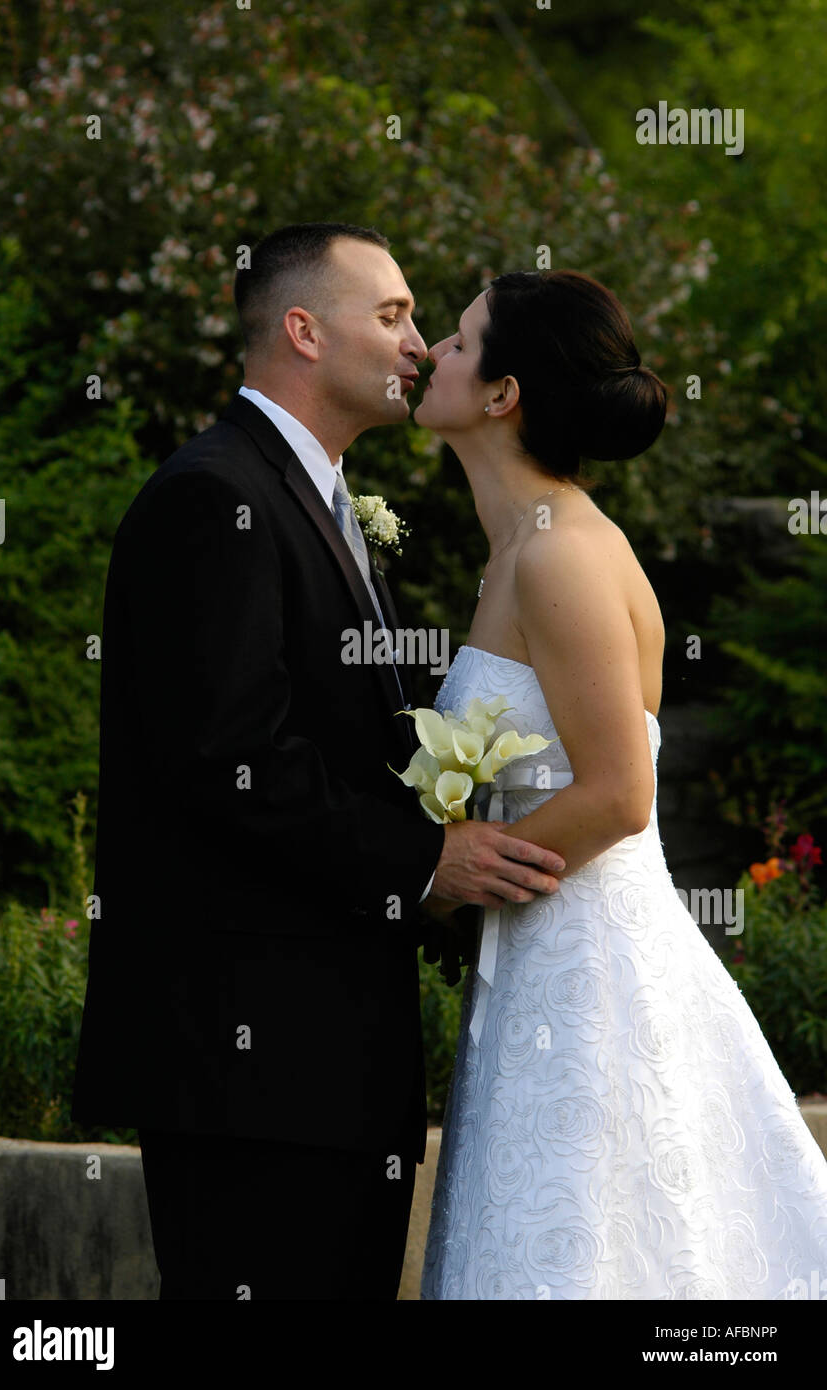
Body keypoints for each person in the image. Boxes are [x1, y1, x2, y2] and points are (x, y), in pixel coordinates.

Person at [70, 223, 565, 1301]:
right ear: (302, 328)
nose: (418, 344)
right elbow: (230, 755)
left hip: (325, 1063)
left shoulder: (324, 503)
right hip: (249, 1065)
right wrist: (427, 859)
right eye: (390, 315)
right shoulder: (214, 498)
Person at [415, 268, 827, 1300]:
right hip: (539, 950)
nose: (432, 352)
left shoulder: (562, 555)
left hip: (587, 964)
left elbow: (618, 794)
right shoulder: (520, 546)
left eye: (460, 342)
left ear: (504, 393)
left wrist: (447, 871)